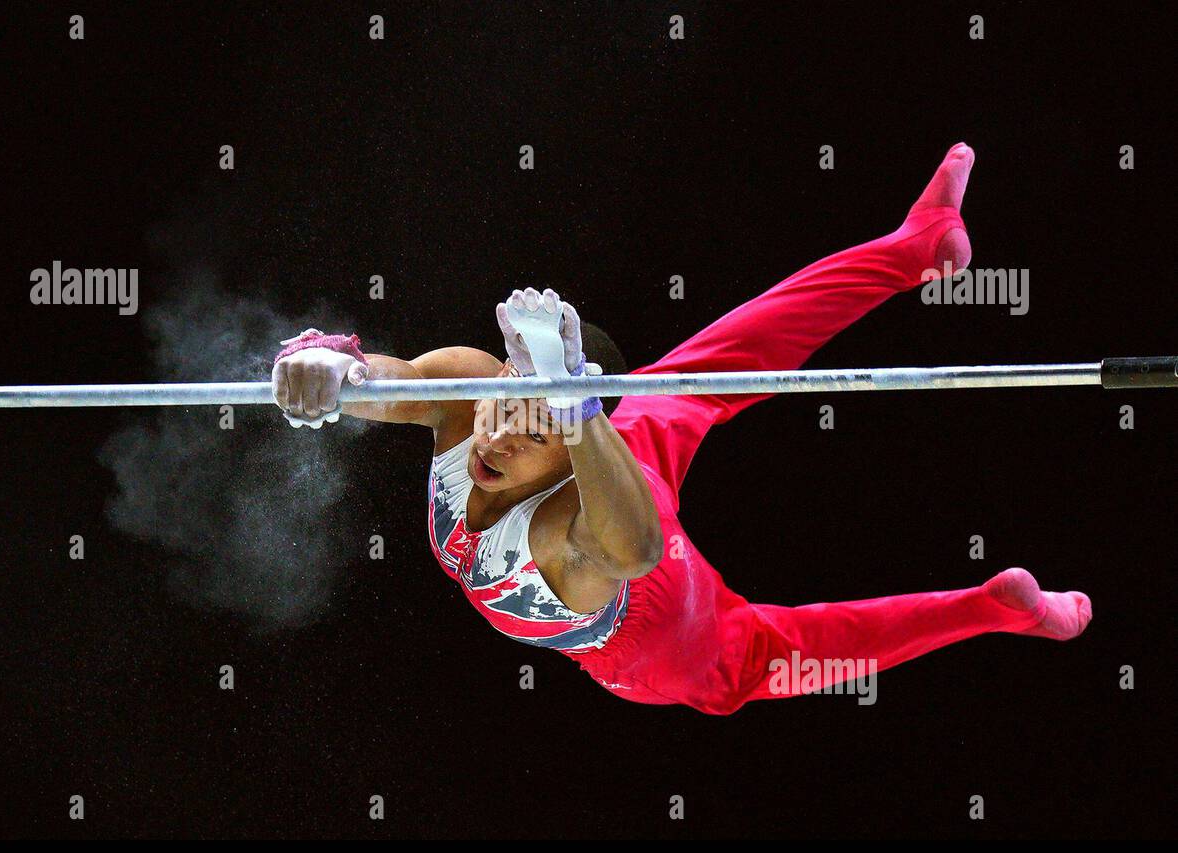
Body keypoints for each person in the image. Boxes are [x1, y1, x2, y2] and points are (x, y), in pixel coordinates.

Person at [271, 144, 1091, 714]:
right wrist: (336, 369)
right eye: (501, 410)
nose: (494, 440)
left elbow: (630, 554)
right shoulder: (473, 394)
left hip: (646, 610)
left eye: (532, 427)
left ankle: (990, 607)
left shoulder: (567, 528)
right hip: (604, 444)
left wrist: (576, 420)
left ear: (567, 448)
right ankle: (914, 249)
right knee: (704, 373)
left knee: (763, 656)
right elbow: (399, 382)